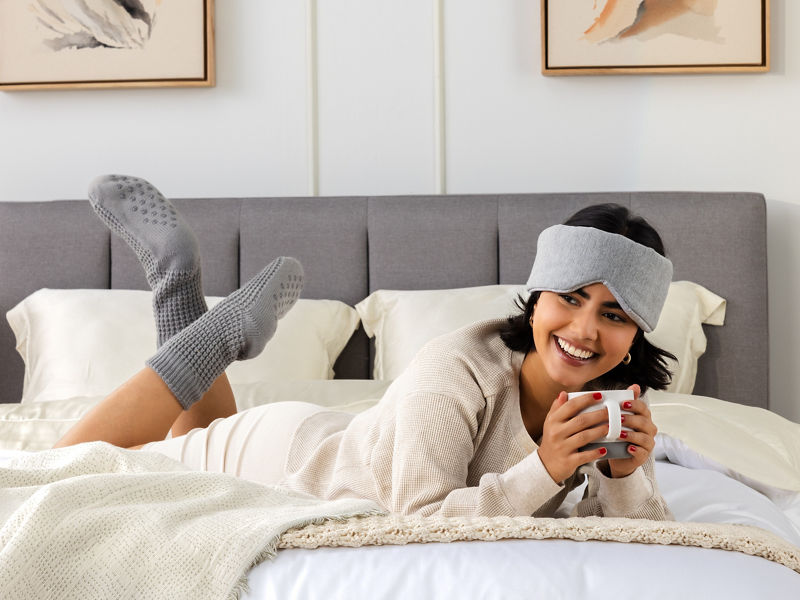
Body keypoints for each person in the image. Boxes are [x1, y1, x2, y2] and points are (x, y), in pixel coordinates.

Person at [56, 175, 675, 520]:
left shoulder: (616, 406)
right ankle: (213, 336)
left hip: (329, 445)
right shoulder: (460, 364)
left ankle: (178, 285)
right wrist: (545, 469)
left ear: (635, 336)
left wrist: (621, 477)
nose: (586, 330)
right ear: (536, 299)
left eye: (614, 314)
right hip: (284, 466)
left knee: (182, 440)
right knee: (54, 473)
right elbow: (419, 519)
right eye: (569, 298)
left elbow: (646, 540)